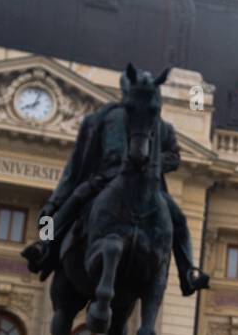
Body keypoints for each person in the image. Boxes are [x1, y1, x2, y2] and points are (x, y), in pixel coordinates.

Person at [21, 66, 208, 297]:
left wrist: (153, 161)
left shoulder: (158, 125)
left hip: (146, 187)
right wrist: (55, 199)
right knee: (60, 210)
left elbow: (174, 157)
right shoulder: (100, 119)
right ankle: (44, 244)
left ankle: (188, 270)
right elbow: (76, 164)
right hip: (102, 181)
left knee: (179, 220)